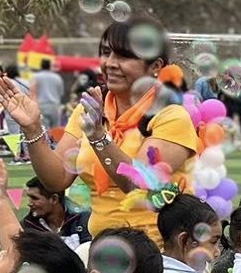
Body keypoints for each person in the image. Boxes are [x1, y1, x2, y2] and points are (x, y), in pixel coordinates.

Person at [14, 22, 201, 241]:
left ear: (155, 66)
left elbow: (137, 183)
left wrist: (98, 137)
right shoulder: (90, 110)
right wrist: (32, 128)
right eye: (105, 53)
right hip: (104, 248)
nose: (110, 63)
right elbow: (57, 179)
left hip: (160, 252)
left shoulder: (172, 116)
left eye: (123, 56)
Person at [21, 179, 91, 244]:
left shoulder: (83, 219)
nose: (29, 203)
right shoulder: (26, 226)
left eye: (35, 198)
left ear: (54, 199)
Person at [31, 56, 66, 132]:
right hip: (55, 106)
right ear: (50, 66)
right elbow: (61, 93)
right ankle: (56, 143)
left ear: (41, 65)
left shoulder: (36, 77)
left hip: (41, 106)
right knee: (56, 130)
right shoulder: (57, 77)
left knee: (44, 130)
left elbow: (33, 92)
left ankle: (47, 143)